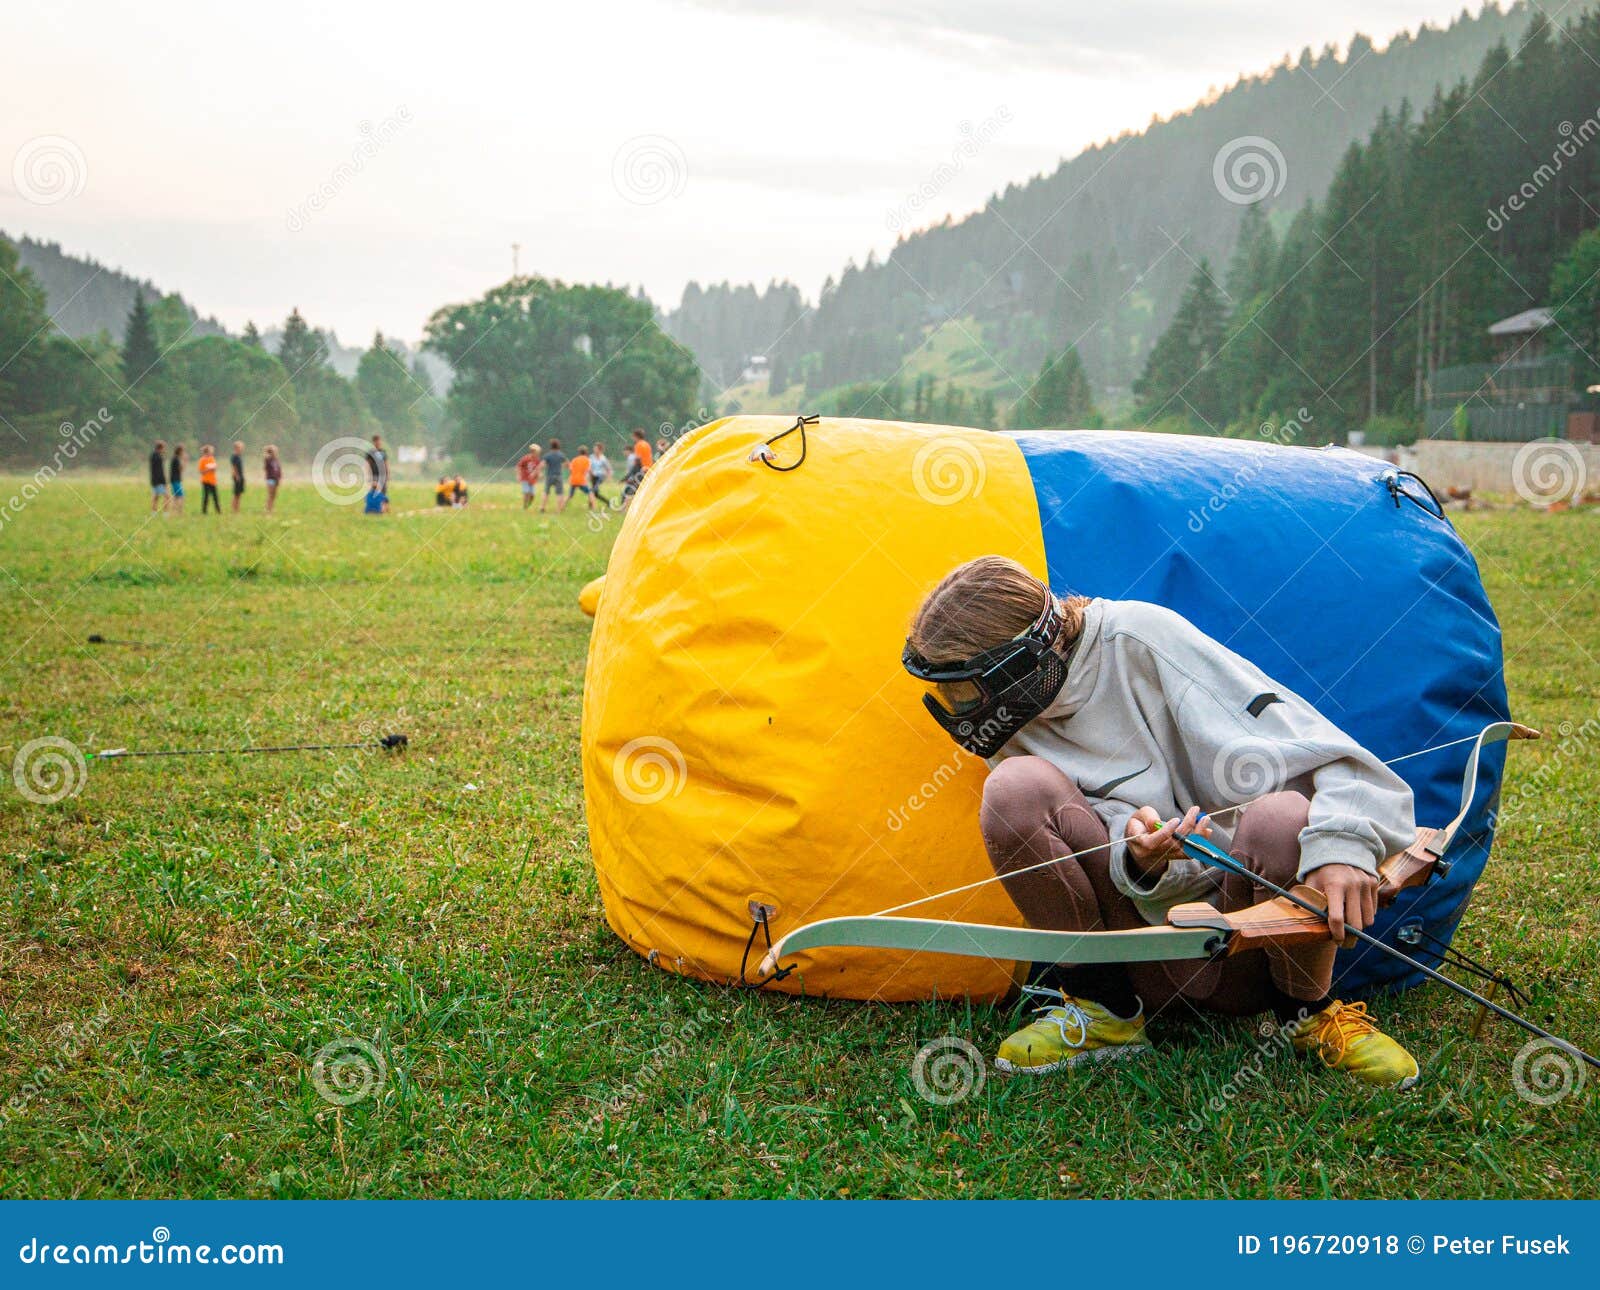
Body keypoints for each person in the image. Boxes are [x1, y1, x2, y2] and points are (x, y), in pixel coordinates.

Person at [901, 555, 1421, 1089]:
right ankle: (1104, 1012)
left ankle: (1308, 1014)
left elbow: (1340, 761)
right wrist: (1139, 859)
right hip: (1138, 955)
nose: (961, 710)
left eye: (964, 691)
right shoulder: (1009, 713)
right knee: (1013, 790)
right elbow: (1092, 837)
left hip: (1247, 946)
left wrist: (1341, 849)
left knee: (1282, 816)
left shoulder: (1144, 639)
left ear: (1020, 664)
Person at [620, 428, 652, 506]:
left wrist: (630, 475)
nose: (632, 438)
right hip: (649, 470)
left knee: (631, 490)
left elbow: (638, 461)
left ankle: (625, 509)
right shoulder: (647, 444)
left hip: (642, 471)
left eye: (633, 436)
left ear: (636, 436)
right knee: (642, 491)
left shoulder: (638, 445)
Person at [562, 446, 595, 512]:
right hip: (581, 480)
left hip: (573, 480)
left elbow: (570, 469)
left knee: (570, 495)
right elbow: (589, 470)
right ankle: (593, 508)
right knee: (590, 492)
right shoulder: (587, 460)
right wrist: (592, 477)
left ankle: (562, 506)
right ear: (586, 452)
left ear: (579, 452)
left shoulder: (575, 459)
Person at [539, 438, 567, 513]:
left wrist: (541, 473)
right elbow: (566, 464)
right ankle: (558, 510)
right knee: (559, 493)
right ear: (558, 446)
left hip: (549, 476)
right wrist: (561, 467)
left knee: (546, 492)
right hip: (558, 476)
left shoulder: (547, 455)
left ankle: (542, 507)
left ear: (551, 446)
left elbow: (542, 465)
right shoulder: (561, 455)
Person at [198, 444, 220, 514]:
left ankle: (218, 511)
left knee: (215, 497)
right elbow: (201, 471)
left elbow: (215, 468)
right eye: (211, 451)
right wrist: (207, 469)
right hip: (206, 481)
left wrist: (214, 468)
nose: (212, 452)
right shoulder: (202, 460)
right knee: (206, 497)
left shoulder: (212, 458)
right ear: (207, 451)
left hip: (213, 481)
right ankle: (204, 512)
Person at [517, 444, 540, 509]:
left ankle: (528, 505)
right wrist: (519, 475)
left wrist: (538, 475)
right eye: (537, 453)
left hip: (532, 480)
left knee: (532, 495)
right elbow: (519, 466)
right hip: (525, 478)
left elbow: (537, 469)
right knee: (526, 492)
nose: (537, 454)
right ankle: (525, 506)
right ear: (533, 452)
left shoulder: (537, 460)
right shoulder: (526, 458)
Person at [589, 441, 612, 506]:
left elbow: (609, 469)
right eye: (594, 448)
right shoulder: (591, 457)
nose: (594, 450)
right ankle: (608, 502)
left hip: (600, 477)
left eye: (596, 449)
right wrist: (590, 475)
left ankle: (593, 508)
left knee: (592, 491)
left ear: (600, 450)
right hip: (593, 477)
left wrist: (609, 477)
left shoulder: (603, 458)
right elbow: (589, 467)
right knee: (595, 494)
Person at [148, 441, 168, 512]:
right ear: (160, 448)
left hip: (154, 480)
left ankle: (153, 512)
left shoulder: (153, 455)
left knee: (156, 497)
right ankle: (165, 513)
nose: (164, 450)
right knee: (167, 496)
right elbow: (160, 471)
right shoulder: (159, 457)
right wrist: (164, 482)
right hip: (159, 481)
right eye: (164, 448)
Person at [263, 445, 282, 513]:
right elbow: (266, 468)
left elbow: (278, 469)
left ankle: (271, 507)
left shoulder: (276, 460)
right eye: (274, 451)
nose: (276, 452)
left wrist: (280, 477)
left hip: (276, 479)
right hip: (270, 479)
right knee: (270, 494)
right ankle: (268, 508)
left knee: (274, 495)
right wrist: (267, 452)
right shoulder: (268, 459)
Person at [168, 444, 187, 513]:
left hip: (174, 480)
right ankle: (179, 511)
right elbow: (181, 469)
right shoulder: (176, 459)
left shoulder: (174, 458)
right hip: (176, 480)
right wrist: (185, 460)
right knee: (180, 496)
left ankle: (175, 511)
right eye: (183, 451)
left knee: (176, 497)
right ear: (180, 451)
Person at [230, 441, 246, 513]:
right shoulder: (234, 456)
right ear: (236, 448)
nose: (242, 449)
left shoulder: (239, 456)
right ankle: (234, 509)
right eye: (241, 447)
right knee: (236, 494)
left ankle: (237, 509)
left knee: (239, 494)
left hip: (240, 476)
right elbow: (234, 467)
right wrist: (237, 476)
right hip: (237, 477)